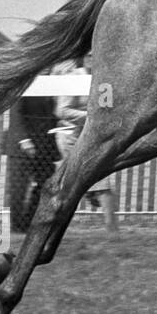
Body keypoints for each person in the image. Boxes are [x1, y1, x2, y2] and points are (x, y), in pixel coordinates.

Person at [53, 56, 118, 233]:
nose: (94, 57)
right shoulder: (73, 77)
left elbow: (107, 108)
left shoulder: (104, 78)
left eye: (95, 53)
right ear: (83, 58)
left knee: (103, 181)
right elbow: (61, 111)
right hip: (70, 138)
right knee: (73, 185)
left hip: (92, 137)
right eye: (89, 55)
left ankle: (112, 231)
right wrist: (89, 117)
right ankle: (53, 227)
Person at [3, 94, 59, 233]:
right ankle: (16, 227)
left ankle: (30, 223)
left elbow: (51, 117)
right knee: (18, 189)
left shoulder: (51, 85)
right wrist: (24, 140)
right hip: (20, 149)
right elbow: (15, 115)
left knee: (45, 185)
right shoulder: (24, 85)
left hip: (44, 147)